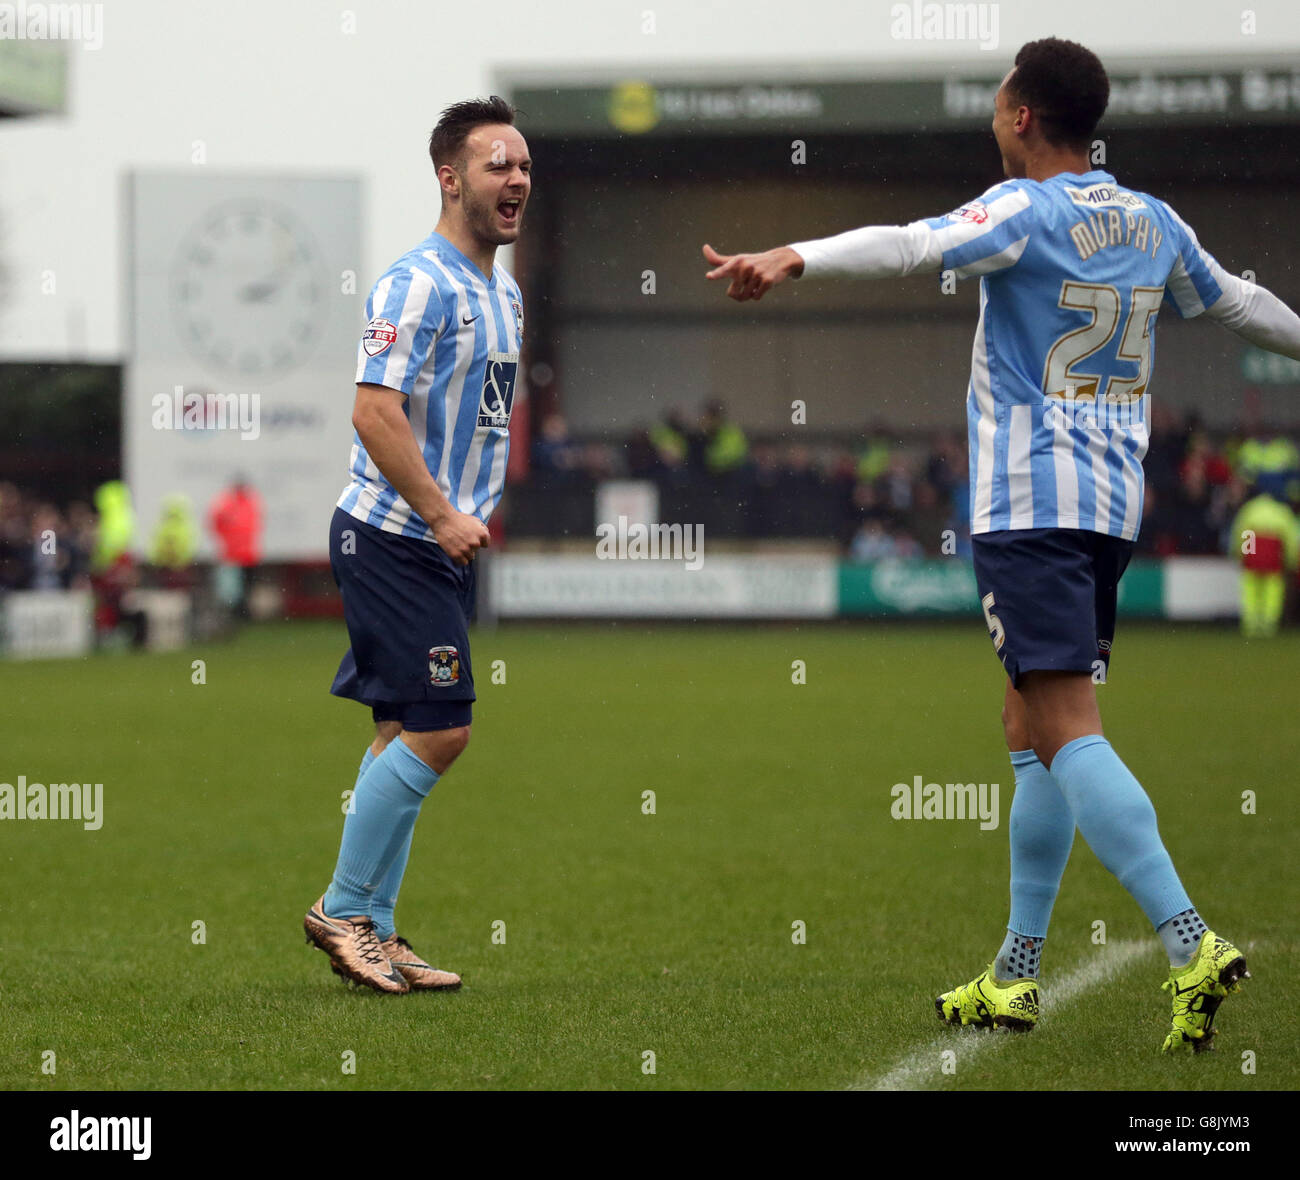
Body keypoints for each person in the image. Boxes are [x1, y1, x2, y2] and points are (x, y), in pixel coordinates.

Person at [703, 37, 1300, 1051]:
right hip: (1109, 506)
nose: (992, 108)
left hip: (1028, 505)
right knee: (1026, 732)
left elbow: (910, 244)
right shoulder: (1151, 219)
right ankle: (1015, 973)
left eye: (999, 96)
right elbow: (1242, 306)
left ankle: (1189, 939)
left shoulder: (1023, 208)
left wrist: (795, 254)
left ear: (1021, 116)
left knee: (1065, 726)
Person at [304, 96, 529, 995]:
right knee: (445, 727)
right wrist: (441, 512)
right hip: (394, 536)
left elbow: (481, 415)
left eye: (523, 168)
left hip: (437, 545)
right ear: (450, 177)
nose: (515, 181)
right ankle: (343, 910)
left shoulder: (504, 290)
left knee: (401, 727)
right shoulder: (415, 283)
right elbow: (372, 410)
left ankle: (380, 931)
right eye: (495, 166)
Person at [1230, 474, 1298, 638]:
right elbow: (1290, 539)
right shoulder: (1282, 511)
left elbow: (1242, 532)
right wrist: (1290, 560)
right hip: (1272, 554)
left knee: (1250, 588)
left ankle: (1251, 622)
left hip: (1253, 550)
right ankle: (1268, 623)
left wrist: (1241, 554)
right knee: (1272, 589)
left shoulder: (1250, 508)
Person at [208, 479, 263, 618]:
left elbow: (217, 522)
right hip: (238, 554)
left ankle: (240, 612)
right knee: (236, 587)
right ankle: (238, 612)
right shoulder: (245, 503)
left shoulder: (230, 503)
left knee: (240, 586)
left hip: (239, 554)